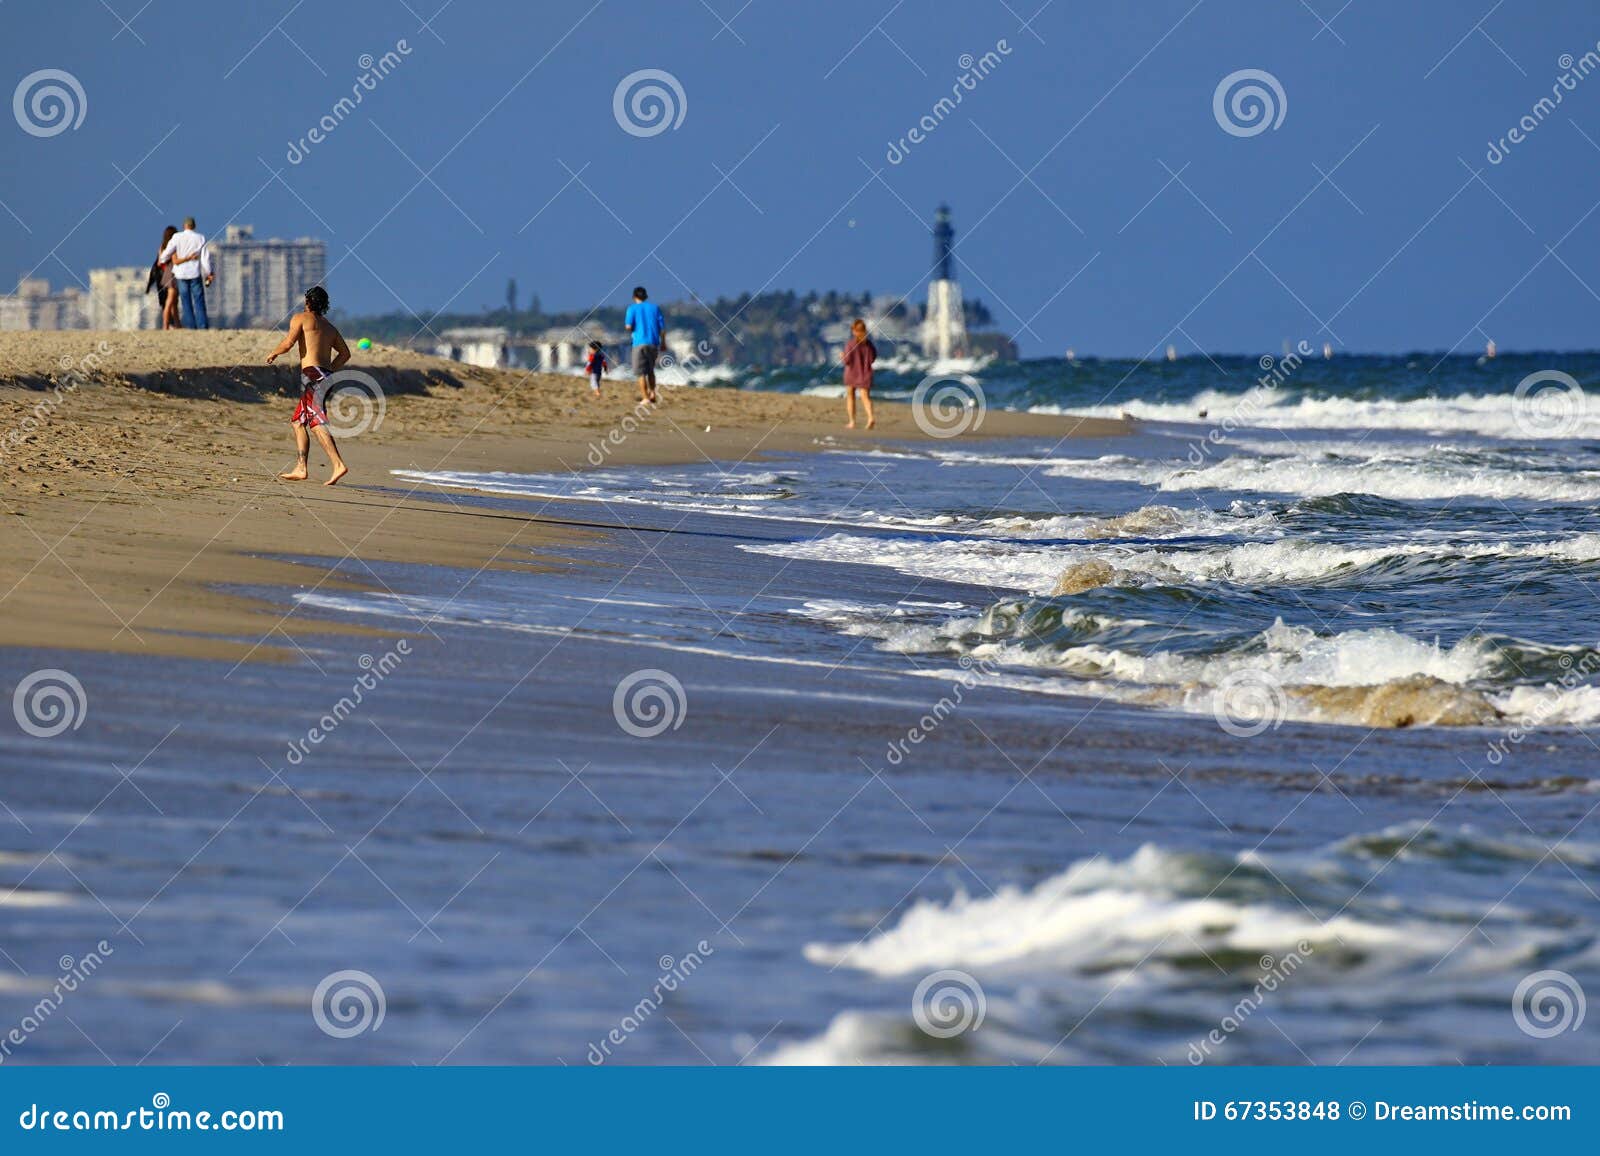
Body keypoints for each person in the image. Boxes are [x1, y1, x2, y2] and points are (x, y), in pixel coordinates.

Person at [266, 285, 350, 486]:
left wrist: (274, 353)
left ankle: (338, 464)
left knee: (316, 421)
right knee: (298, 421)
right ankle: (301, 467)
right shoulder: (330, 327)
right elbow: (345, 354)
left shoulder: (300, 318)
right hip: (324, 375)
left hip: (312, 375)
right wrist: (328, 370)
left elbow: (288, 343)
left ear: (308, 302)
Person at [158, 217, 213, 329]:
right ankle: (203, 326)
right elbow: (205, 259)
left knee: (186, 302)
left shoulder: (177, 237)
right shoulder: (201, 238)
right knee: (199, 301)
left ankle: (191, 327)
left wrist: (162, 259)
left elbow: (167, 253)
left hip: (181, 275)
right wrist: (209, 273)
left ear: (184, 226)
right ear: (194, 226)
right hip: (194, 273)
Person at [623, 286, 665, 404]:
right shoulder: (655, 308)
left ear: (634, 297)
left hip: (639, 342)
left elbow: (628, 326)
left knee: (641, 372)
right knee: (650, 370)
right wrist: (664, 343)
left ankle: (645, 397)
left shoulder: (632, 308)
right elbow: (662, 328)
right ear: (646, 296)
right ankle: (652, 393)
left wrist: (633, 329)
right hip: (653, 342)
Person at [145, 225, 182, 329]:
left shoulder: (162, 247)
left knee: (172, 302)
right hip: (170, 275)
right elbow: (164, 261)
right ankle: (167, 324)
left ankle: (176, 324)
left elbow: (158, 263)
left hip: (163, 277)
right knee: (170, 301)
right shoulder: (171, 247)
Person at [842, 318, 877, 430]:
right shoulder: (869, 345)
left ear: (855, 331)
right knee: (866, 398)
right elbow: (873, 359)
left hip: (852, 374)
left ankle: (852, 422)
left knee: (850, 397)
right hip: (866, 374)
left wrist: (842, 356)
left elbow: (847, 361)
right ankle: (870, 417)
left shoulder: (850, 344)